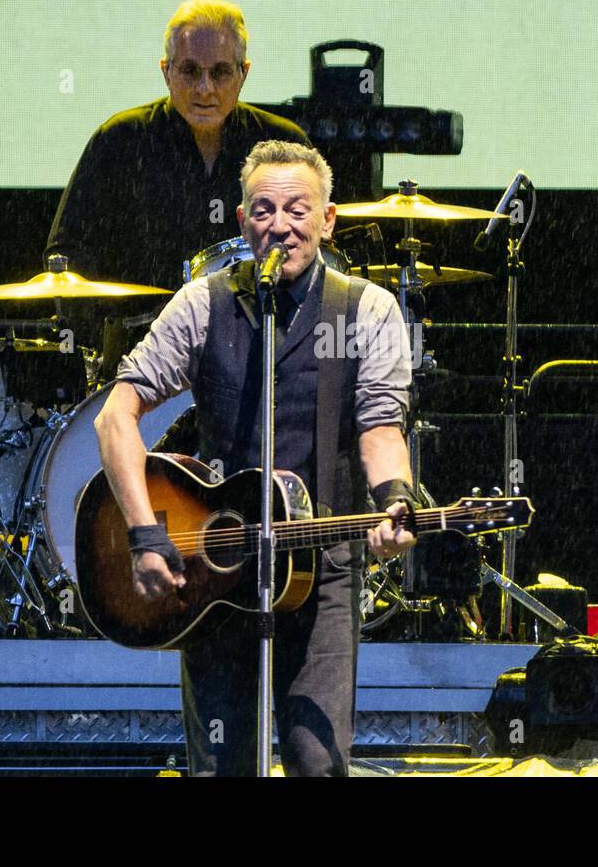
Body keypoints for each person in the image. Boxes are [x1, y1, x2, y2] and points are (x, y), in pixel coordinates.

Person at [94, 140, 418, 776]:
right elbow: (115, 416)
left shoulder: (366, 311)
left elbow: (381, 429)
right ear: (242, 222)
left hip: (320, 570)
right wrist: (145, 533)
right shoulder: (203, 303)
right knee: (220, 767)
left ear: (328, 220)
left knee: (317, 763)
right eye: (263, 210)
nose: (280, 225)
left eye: (297, 209)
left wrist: (395, 502)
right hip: (215, 572)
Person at [45, 0, 310, 346]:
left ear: (243, 74)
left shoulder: (282, 147)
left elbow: (317, 254)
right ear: (166, 71)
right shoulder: (121, 140)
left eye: (220, 72)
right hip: (142, 351)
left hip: (263, 351)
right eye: (189, 71)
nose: (205, 88)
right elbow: (67, 252)